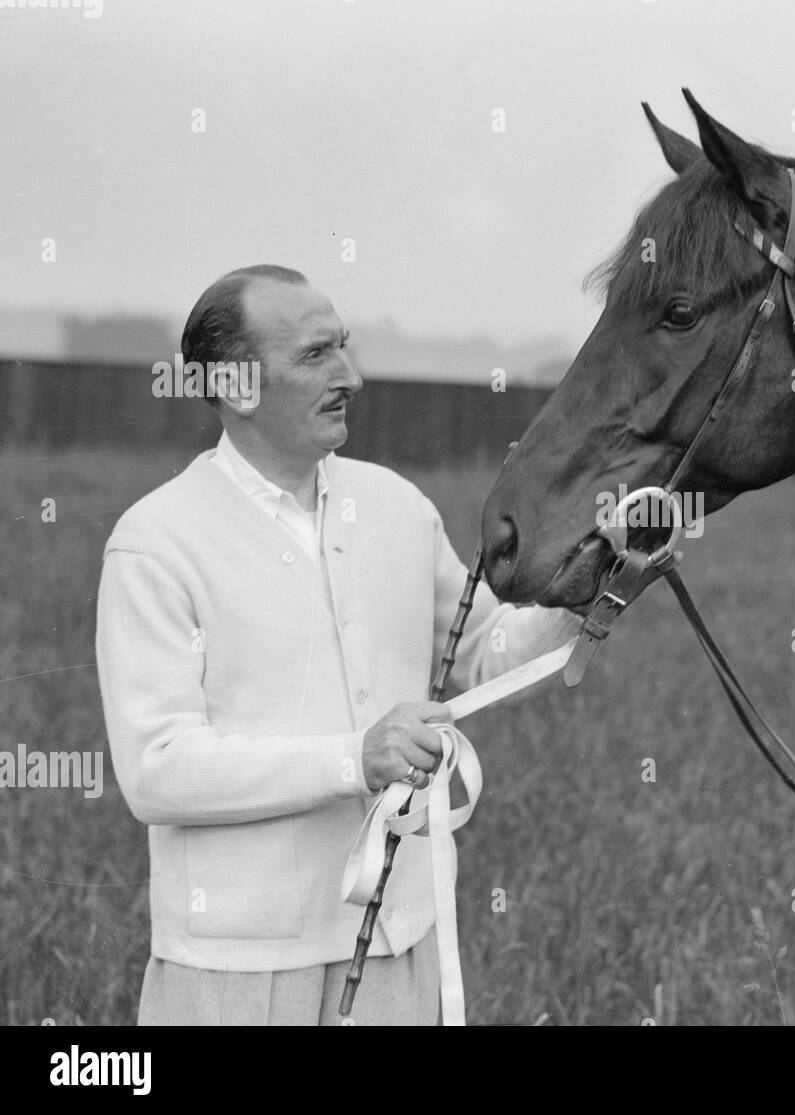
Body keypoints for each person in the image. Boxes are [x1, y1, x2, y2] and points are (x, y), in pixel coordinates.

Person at [95, 264, 580, 1025]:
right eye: (316, 354)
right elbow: (157, 770)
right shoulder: (155, 544)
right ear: (237, 385)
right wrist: (356, 756)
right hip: (235, 969)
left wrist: (594, 584)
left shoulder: (396, 505)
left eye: (344, 348)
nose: (350, 376)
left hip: (397, 940)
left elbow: (486, 651)